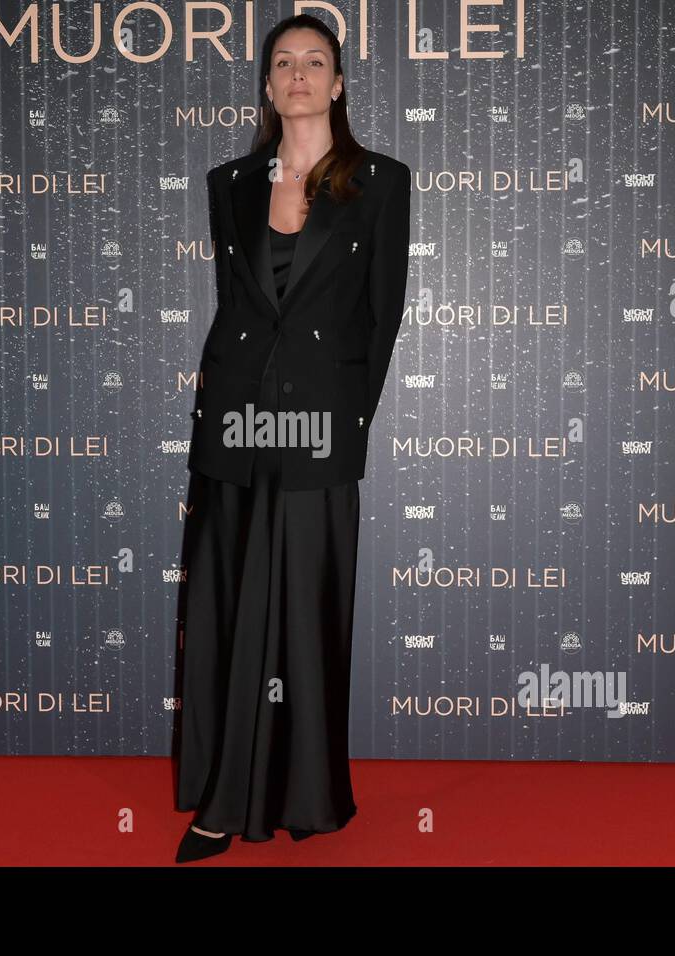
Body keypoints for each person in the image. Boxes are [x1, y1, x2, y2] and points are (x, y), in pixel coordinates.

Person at [174, 12, 412, 863]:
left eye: (316, 61)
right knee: (229, 609)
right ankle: (218, 797)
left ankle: (305, 790)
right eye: (284, 62)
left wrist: (347, 430)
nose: (300, 74)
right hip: (234, 422)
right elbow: (235, 311)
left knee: (306, 617)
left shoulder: (381, 181)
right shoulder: (229, 183)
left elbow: (382, 319)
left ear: (338, 82)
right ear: (268, 85)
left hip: (317, 430)